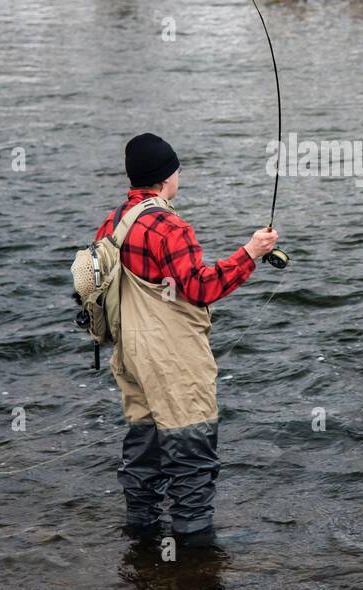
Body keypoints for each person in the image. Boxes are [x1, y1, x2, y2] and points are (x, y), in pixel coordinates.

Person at [96, 132, 278, 546]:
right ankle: (195, 555)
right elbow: (200, 288)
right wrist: (250, 253)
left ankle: (141, 542)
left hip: (128, 353)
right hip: (170, 356)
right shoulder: (169, 225)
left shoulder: (113, 221)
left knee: (143, 450)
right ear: (165, 177)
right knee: (192, 456)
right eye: (176, 169)